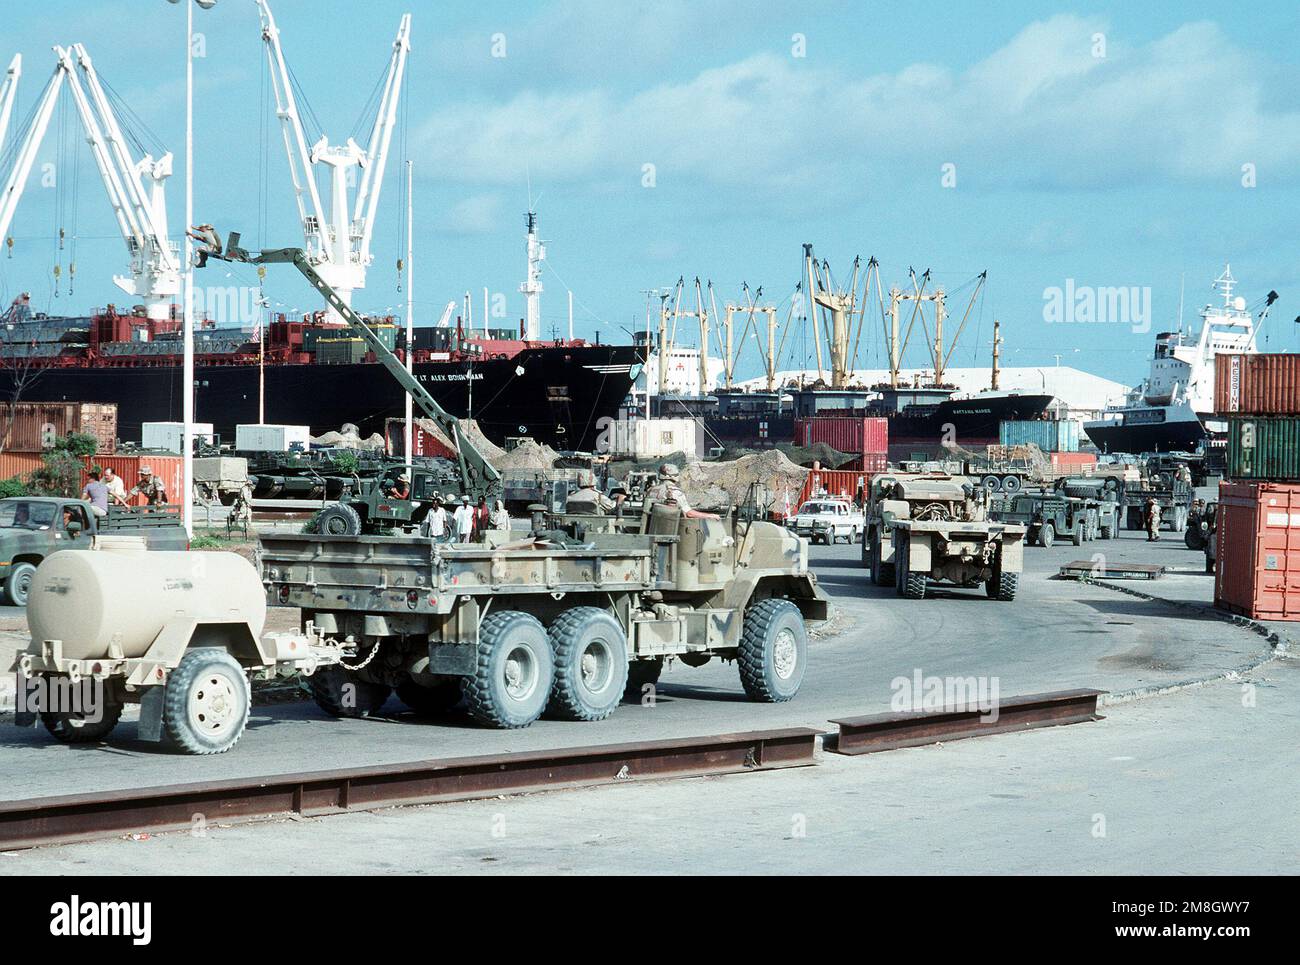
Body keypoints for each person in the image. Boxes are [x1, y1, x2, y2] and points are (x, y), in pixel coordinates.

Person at [644, 463, 719, 520]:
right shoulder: (675, 492)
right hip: (671, 528)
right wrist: (710, 516)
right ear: (675, 476)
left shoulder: (651, 490)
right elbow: (689, 513)